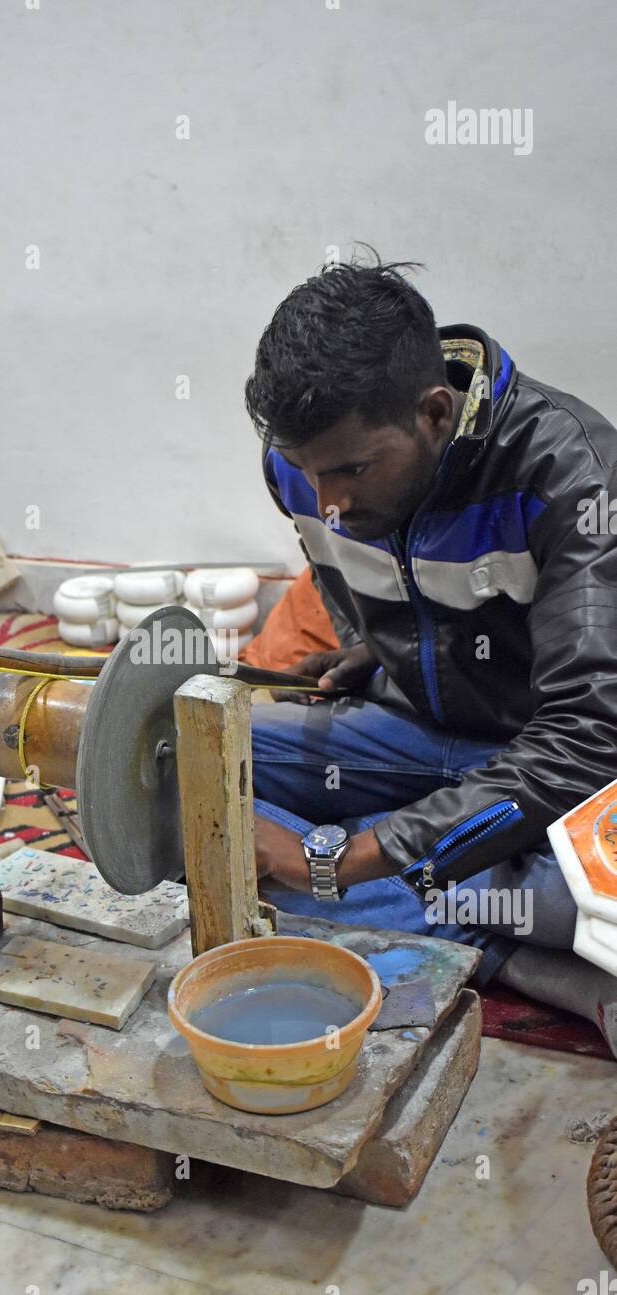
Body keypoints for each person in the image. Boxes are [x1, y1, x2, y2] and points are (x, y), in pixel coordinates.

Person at [243, 255, 617, 1058]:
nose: (328, 501)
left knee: (585, 886)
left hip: (557, 769)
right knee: (181, 768)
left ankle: (388, 896)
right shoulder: (300, 469)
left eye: (351, 470)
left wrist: (345, 857)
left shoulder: (572, 476)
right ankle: (494, 926)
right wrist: (370, 650)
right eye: (309, 473)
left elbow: (586, 737)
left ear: (436, 413)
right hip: (409, 730)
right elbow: (355, 577)